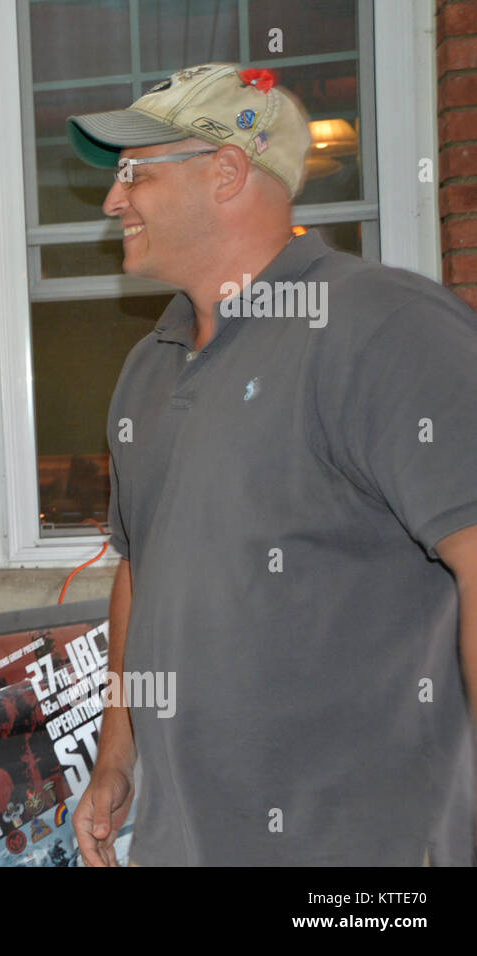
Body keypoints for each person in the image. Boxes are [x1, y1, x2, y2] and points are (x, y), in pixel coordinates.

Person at [65, 63, 477, 865]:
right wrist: (118, 757)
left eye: (134, 175)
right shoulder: (150, 363)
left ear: (226, 172)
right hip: (187, 840)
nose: (115, 201)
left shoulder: (384, 326)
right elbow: (141, 573)